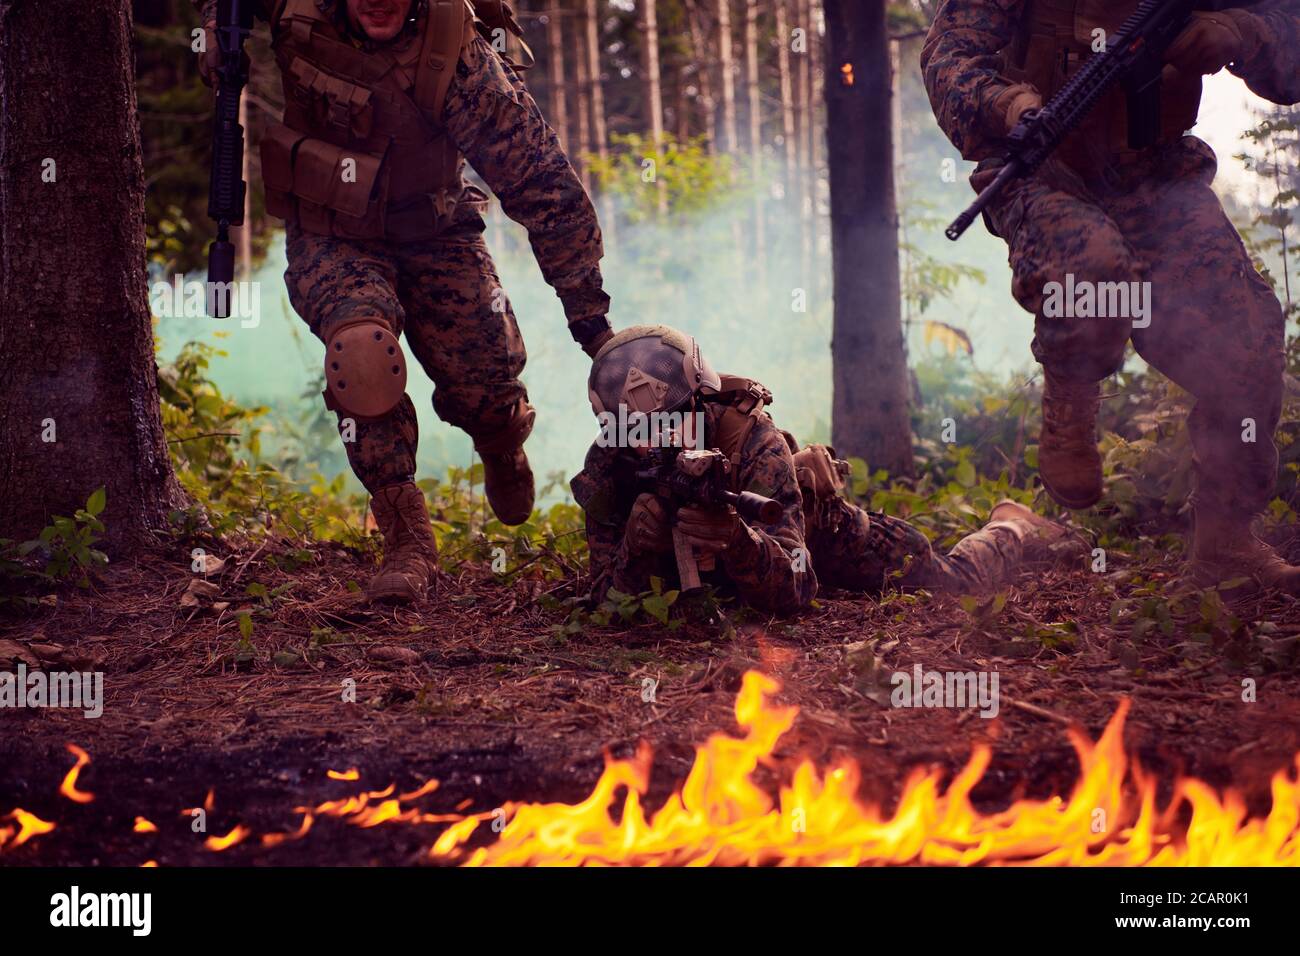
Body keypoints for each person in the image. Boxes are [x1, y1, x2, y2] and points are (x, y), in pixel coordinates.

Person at [196, 0, 613, 602]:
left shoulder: (456, 56)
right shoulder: (294, 6)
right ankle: (405, 536)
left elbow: (540, 180)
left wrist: (591, 320)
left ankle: (500, 442)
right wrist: (215, 26)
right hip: (332, 233)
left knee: (486, 388)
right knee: (360, 351)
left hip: (436, 231)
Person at [920, 0, 1300, 593]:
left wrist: (1240, 31)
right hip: (1047, 168)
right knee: (1092, 267)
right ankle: (1071, 398)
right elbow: (948, 58)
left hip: (1157, 173)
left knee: (1247, 337)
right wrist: (1013, 105)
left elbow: (1289, 43)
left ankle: (1226, 544)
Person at [571, 326, 1079, 615]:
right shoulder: (612, 468)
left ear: (702, 404)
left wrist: (735, 540)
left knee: (953, 583)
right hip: (735, 571)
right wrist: (637, 552)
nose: (658, 445)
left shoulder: (753, 442)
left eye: (673, 425)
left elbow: (798, 583)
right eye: (641, 436)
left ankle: (1008, 526)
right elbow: (603, 602)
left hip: (822, 534)